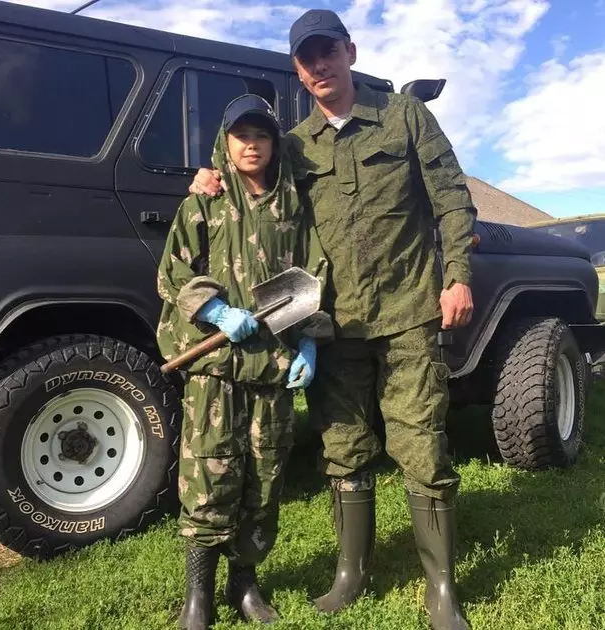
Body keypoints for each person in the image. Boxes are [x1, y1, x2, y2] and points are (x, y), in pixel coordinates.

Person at [189, 9, 477, 630]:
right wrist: (207, 179)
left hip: (406, 312)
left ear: (349, 51)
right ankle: (350, 574)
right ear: (297, 69)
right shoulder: (292, 144)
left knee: (421, 443)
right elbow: (252, 187)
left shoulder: (404, 116)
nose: (319, 65)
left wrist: (457, 276)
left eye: (327, 52)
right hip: (335, 324)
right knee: (344, 450)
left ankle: (441, 590)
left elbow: (451, 198)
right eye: (306, 57)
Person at [156, 93, 333, 630]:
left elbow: (313, 278)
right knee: (208, 475)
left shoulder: (295, 208)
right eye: (241, 136)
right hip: (215, 370)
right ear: (226, 143)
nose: (251, 144)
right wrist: (213, 308)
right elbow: (172, 273)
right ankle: (198, 598)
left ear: (275, 143)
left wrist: (309, 342)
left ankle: (245, 586)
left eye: (260, 135)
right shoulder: (202, 202)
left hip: (272, 370)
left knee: (264, 480)